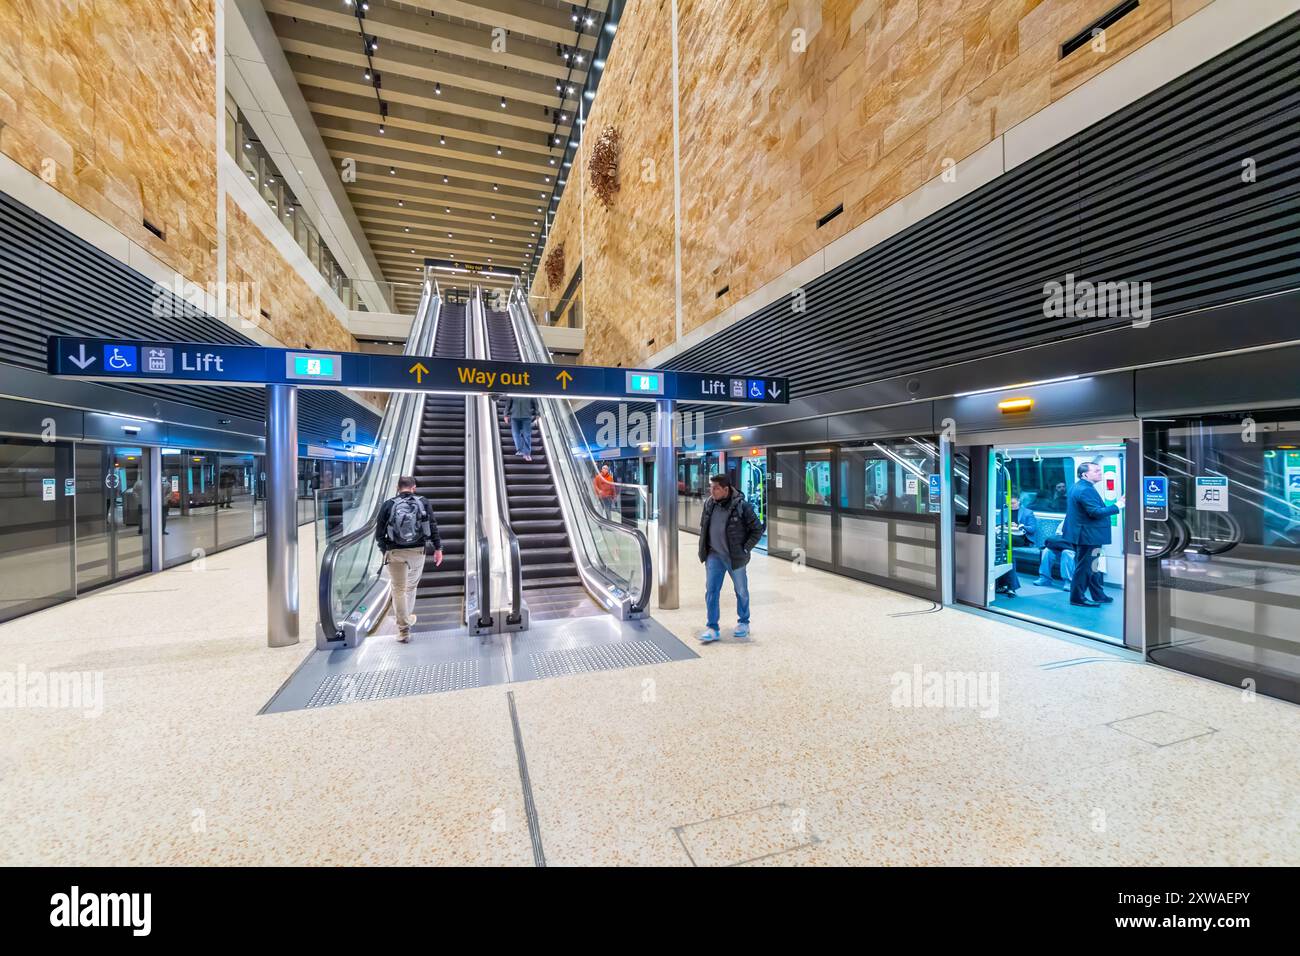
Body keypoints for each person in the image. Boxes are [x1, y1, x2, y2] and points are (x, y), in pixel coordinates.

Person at [697, 473, 765, 644]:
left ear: (726, 489)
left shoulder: (742, 506)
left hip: (735, 557)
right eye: (710, 488)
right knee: (711, 591)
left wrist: (745, 548)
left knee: (741, 591)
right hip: (714, 556)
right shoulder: (709, 504)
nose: (711, 491)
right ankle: (712, 627)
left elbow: (757, 529)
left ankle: (743, 623)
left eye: (715, 488)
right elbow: (704, 527)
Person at [375, 476, 443, 643]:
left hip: (395, 552)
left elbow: (378, 533)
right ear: (413, 487)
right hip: (417, 551)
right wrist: (438, 548)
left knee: (398, 589)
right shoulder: (423, 502)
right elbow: (432, 525)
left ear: (397, 488)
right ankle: (408, 616)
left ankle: (403, 630)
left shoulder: (389, 504)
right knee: (410, 587)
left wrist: (386, 550)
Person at [1060, 462, 1124, 607]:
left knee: (1093, 566)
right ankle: (1077, 598)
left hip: (1085, 535)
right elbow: (1095, 512)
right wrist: (1118, 505)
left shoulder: (1078, 487)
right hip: (1088, 536)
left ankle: (1098, 595)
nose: (1100, 473)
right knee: (1084, 568)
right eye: (1096, 471)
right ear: (1085, 475)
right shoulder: (1085, 490)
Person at [504, 396, 537, 461]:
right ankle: (520, 450)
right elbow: (508, 403)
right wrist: (506, 414)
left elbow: (535, 404)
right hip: (514, 416)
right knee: (515, 433)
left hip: (527, 416)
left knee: (527, 434)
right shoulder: (513, 390)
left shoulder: (530, 391)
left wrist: (537, 415)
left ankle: (527, 453)